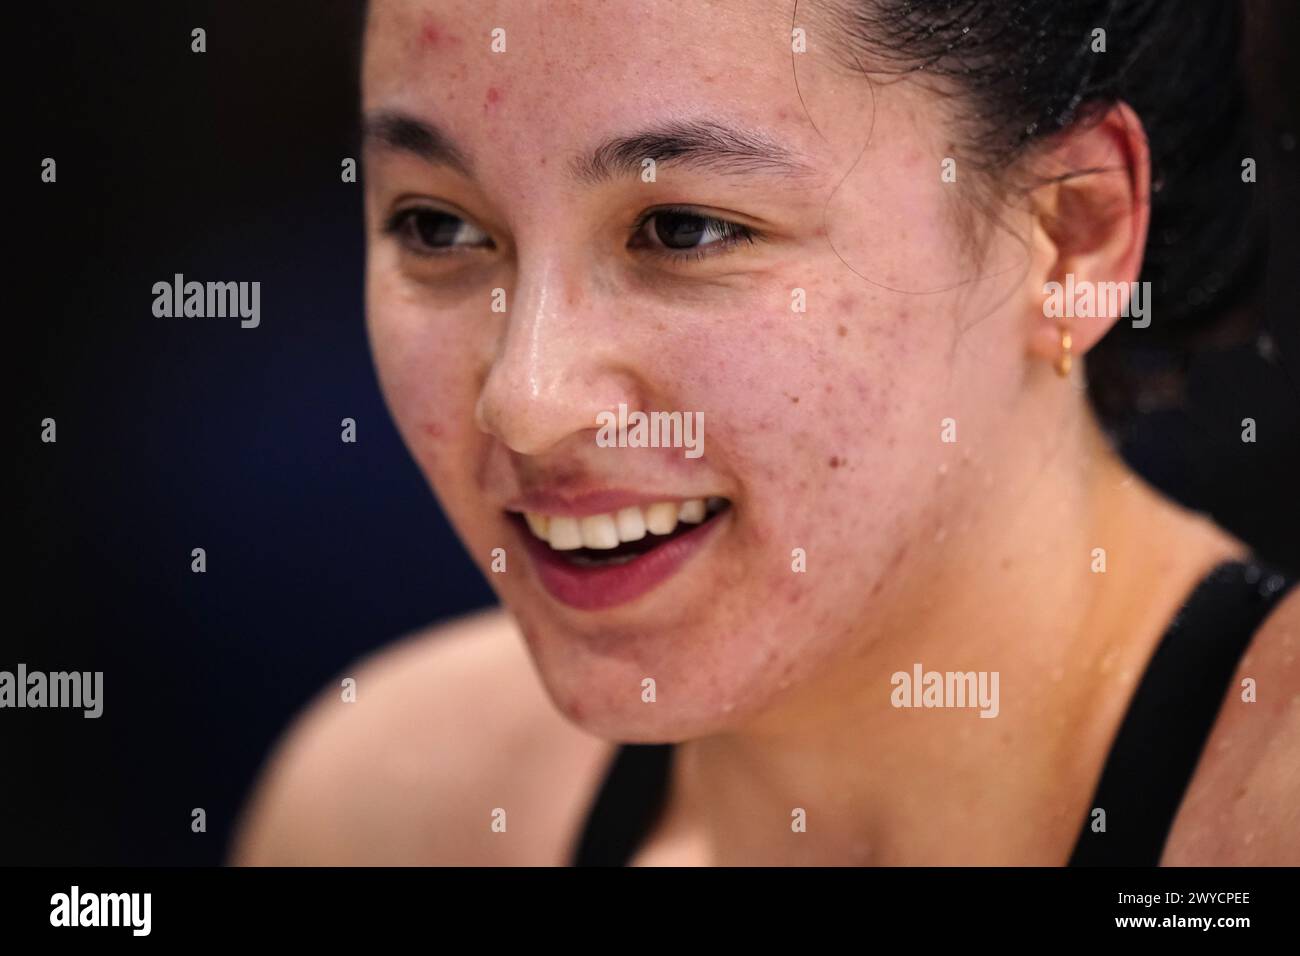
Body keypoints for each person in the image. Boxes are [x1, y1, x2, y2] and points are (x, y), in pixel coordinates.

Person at [230, 0, 1298, 866]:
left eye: (683, 230)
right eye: (438, 225)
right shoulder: (398, 809)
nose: (525, 397)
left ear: (1070, 234)